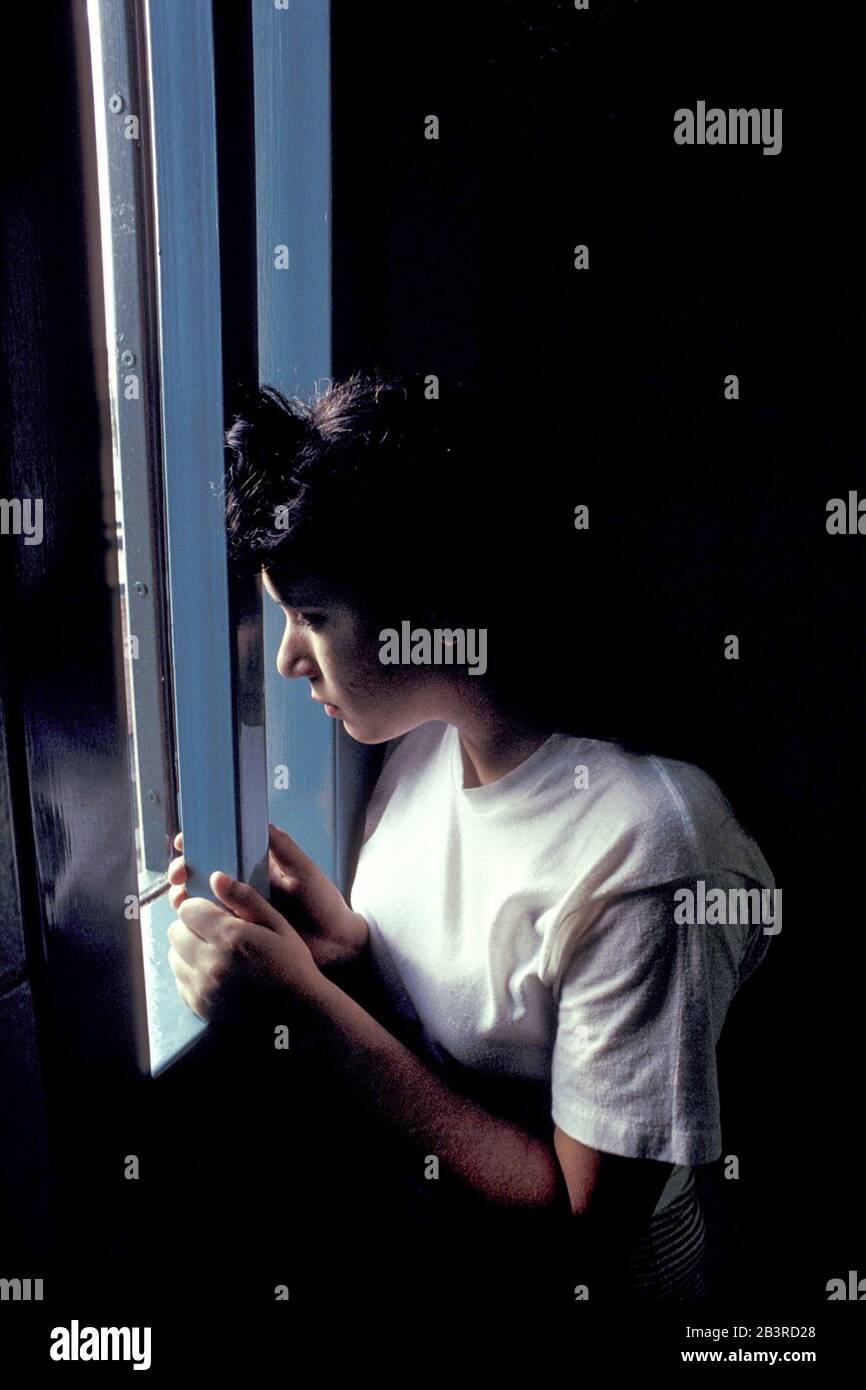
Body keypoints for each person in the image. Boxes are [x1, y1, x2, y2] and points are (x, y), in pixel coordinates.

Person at [165, 371, 776, 1304]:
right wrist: (349, 957)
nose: (289, 656)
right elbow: (479, 1035)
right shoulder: (425, 750)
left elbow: (585, 1231)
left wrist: (313, 1016)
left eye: (313, 617)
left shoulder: (650, 850)